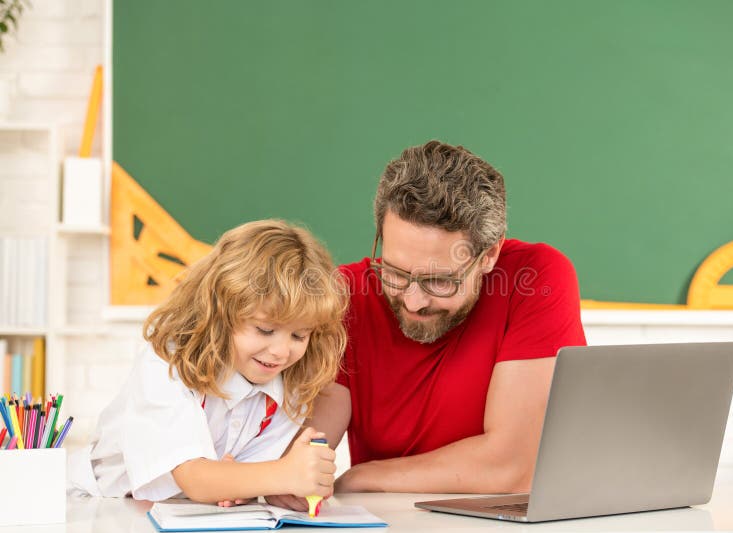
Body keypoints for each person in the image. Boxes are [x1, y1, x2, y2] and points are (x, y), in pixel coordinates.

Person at [302, 140, 586, 498]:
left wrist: (363, 476)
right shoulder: (347, 294)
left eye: (439, 280)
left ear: (489, 254)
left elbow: (512, 466)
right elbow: (307, 451)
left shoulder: (535, 278)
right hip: (388, 519)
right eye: (394, 272)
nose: (413, 300)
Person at [68, 220, 347, 503]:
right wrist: (283, 474)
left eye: (299, 335)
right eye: (265, 330)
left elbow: (241, 480)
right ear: (220, 311)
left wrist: (245, 485)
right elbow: (195, 478)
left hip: (181, 512)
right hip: (98, 504)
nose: (281, 351)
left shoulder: (289, 386)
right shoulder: (168, 362)